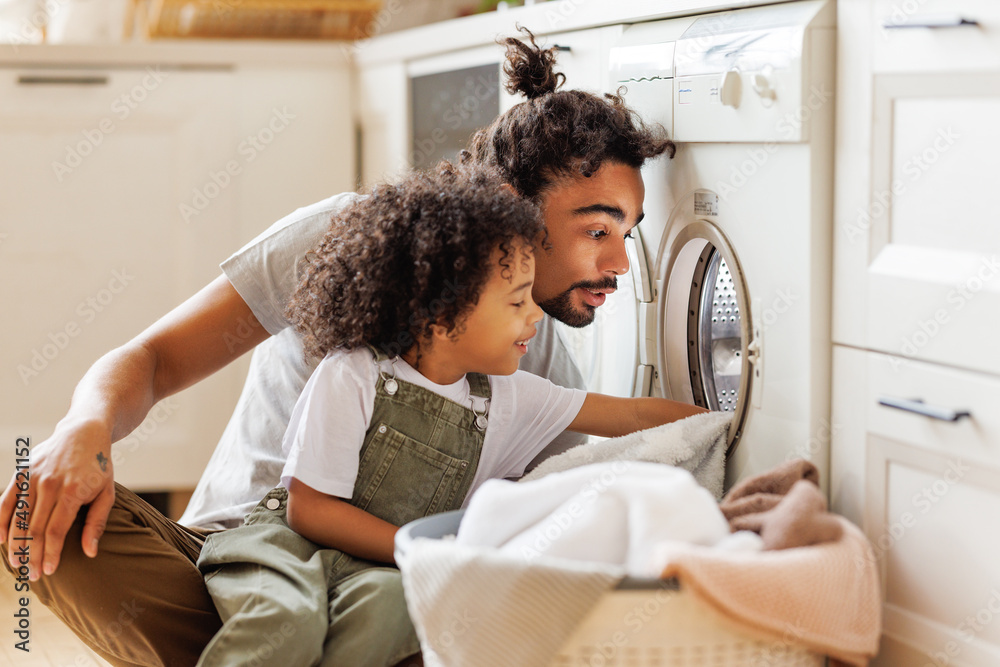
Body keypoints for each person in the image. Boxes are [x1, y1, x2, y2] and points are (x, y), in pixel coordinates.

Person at [0, 28, 675, 667]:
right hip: (236, 555)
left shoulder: (536, 357)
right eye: (597, 230)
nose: (620, 262)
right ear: (511, 204)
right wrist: (81, 427)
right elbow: (155, 359)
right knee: (39, 511)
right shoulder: (348, 241)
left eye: (631, 232)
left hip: (374, 587)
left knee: (408, 617)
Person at [195, 163, 703, 667]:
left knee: (394, 610)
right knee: (290, 620)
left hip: (373, 565)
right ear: (442, 315)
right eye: (516, 300)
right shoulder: (353, 374)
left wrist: (725, 420)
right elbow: (308, 509)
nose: (534, 317)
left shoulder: (508, 393)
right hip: (286, 547)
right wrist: (420, 549)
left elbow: (632, 413)